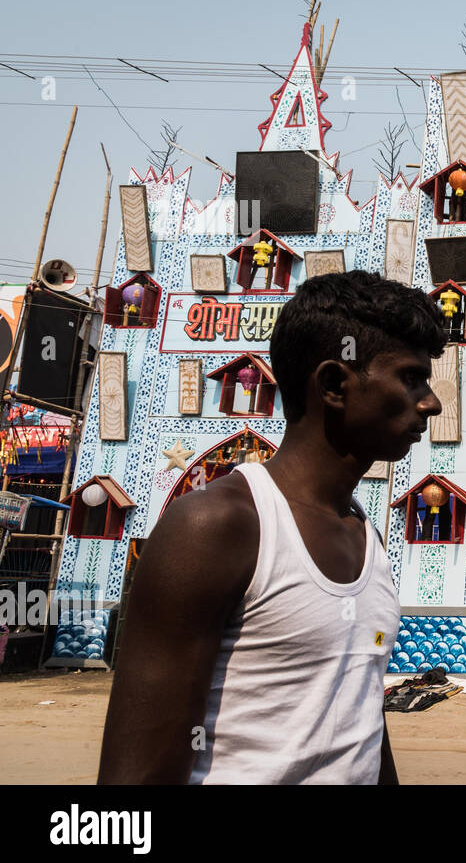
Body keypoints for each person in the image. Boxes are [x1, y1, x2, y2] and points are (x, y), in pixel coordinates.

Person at [98, 271, 446, 784]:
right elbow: (138, 774)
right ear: (333, 385)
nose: (430, 402)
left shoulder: (363, 534)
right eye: (411, 378)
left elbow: (360, 716)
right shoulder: (217, 526)